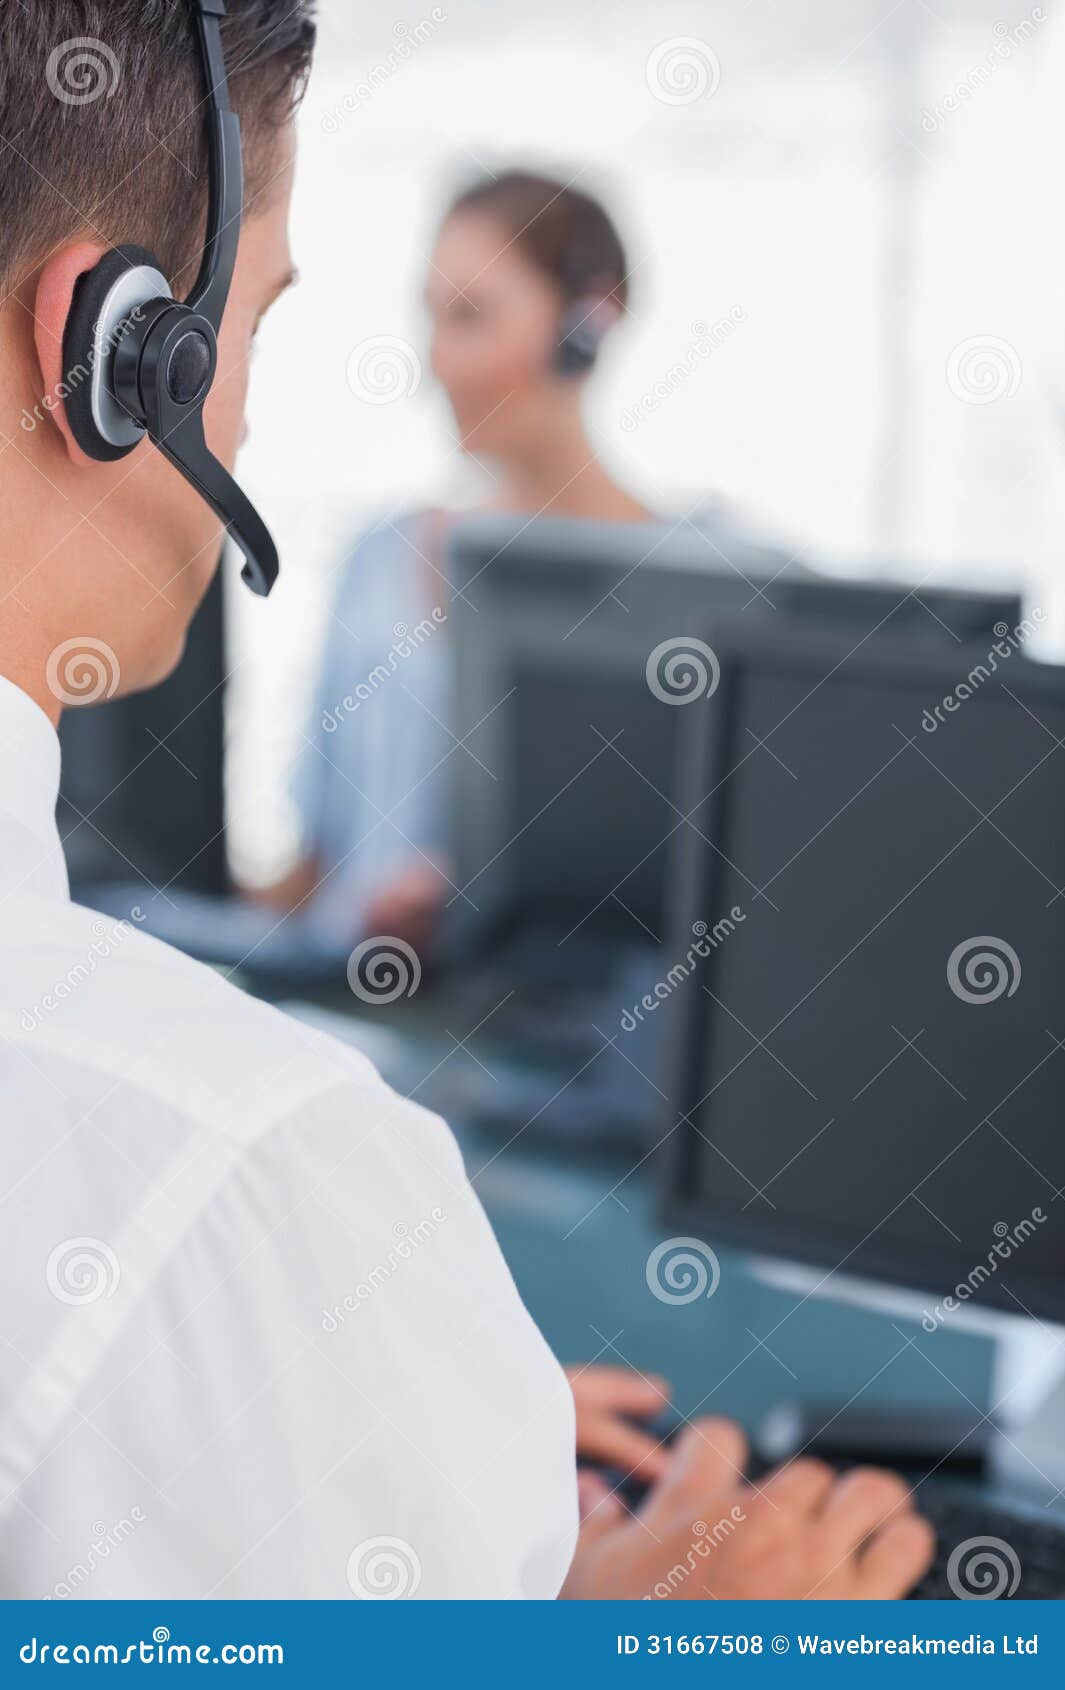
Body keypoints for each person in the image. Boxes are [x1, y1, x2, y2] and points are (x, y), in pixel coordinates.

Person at [0, 3, 934, 1600]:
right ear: (109, 355)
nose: (249, 417)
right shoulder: (249, 1167)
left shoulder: (735, 570)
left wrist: (353, 1398)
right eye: (254, 329)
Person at [262, 171, 660, 960]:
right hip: (351, 1002)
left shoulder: (700, 583)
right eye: (433, 318)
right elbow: (313, 866)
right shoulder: (381, 556)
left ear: (587, 322)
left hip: (557, 1019)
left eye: (471, 317)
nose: (438, 359)